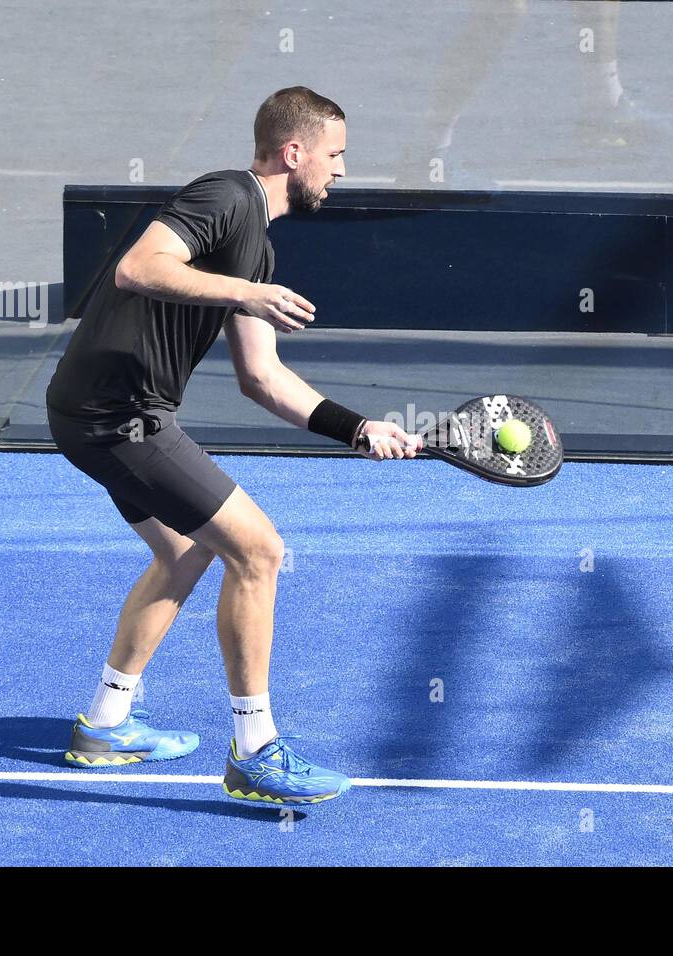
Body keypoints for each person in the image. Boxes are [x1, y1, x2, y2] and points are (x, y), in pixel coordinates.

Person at [45, 86, 421, 804]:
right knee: (259, 550)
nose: (341, 170)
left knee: (187, 550)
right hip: (116, 416)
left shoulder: (258, 247)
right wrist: (240, 293)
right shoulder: (226, 196)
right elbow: (138, 266)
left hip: (96, 411)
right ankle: (256, 751)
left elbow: (262, 377)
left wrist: (362, 428)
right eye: (335, 155)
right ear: (294, 152)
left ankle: (106, 723)